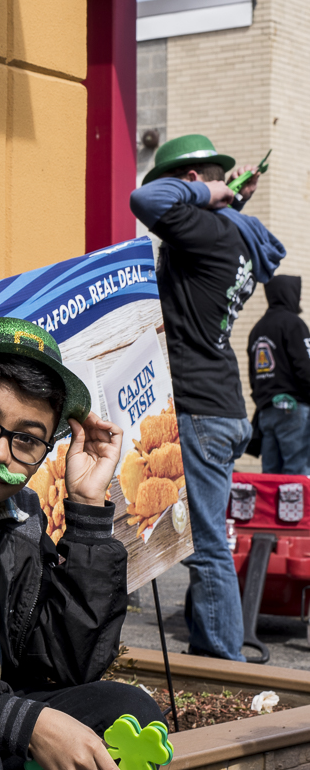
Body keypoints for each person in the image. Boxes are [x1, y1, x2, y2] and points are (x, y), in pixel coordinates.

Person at [0, 317, 166, 770]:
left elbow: (66, 665)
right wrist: (15, 719)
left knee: (129, 712)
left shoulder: (20, 516)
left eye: (27, 440)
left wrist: (87, 513)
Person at [130, 133, 285, 660]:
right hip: (222, 407)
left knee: (203, 543)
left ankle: (225, 664)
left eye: (180, 184)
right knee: (205, 538)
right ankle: (208, 650)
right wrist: (229, 199)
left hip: (199, 407)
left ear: (192, 181)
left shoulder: (206, 228)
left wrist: (213, 194)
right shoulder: (232, 236)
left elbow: (145, 199)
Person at [248, 275, 310, 475]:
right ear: (289, 294)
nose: (299, 299)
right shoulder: (294, 324)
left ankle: (272, 500)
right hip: (293, 410)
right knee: (297, 473)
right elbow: (306, 368)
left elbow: (253, 377)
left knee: (271, 475)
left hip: (267, 412)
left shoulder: (256, 330)